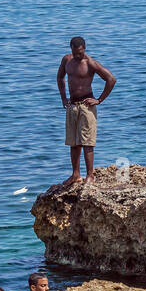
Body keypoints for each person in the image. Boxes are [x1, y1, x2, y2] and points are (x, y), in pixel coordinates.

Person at [57, 36, 116, 189]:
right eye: (76, 53)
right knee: (73, 142)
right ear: (71, 49)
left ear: (85, 49)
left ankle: (90, 175)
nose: (79, 56)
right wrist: (64, 98)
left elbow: (111, 79)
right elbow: (60, 77)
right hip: (72, 106)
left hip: (86, 106)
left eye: (81, 52)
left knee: (87, 142)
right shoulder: (66, 60)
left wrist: (99, 100)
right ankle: (75, 174)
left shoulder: (90, 63)